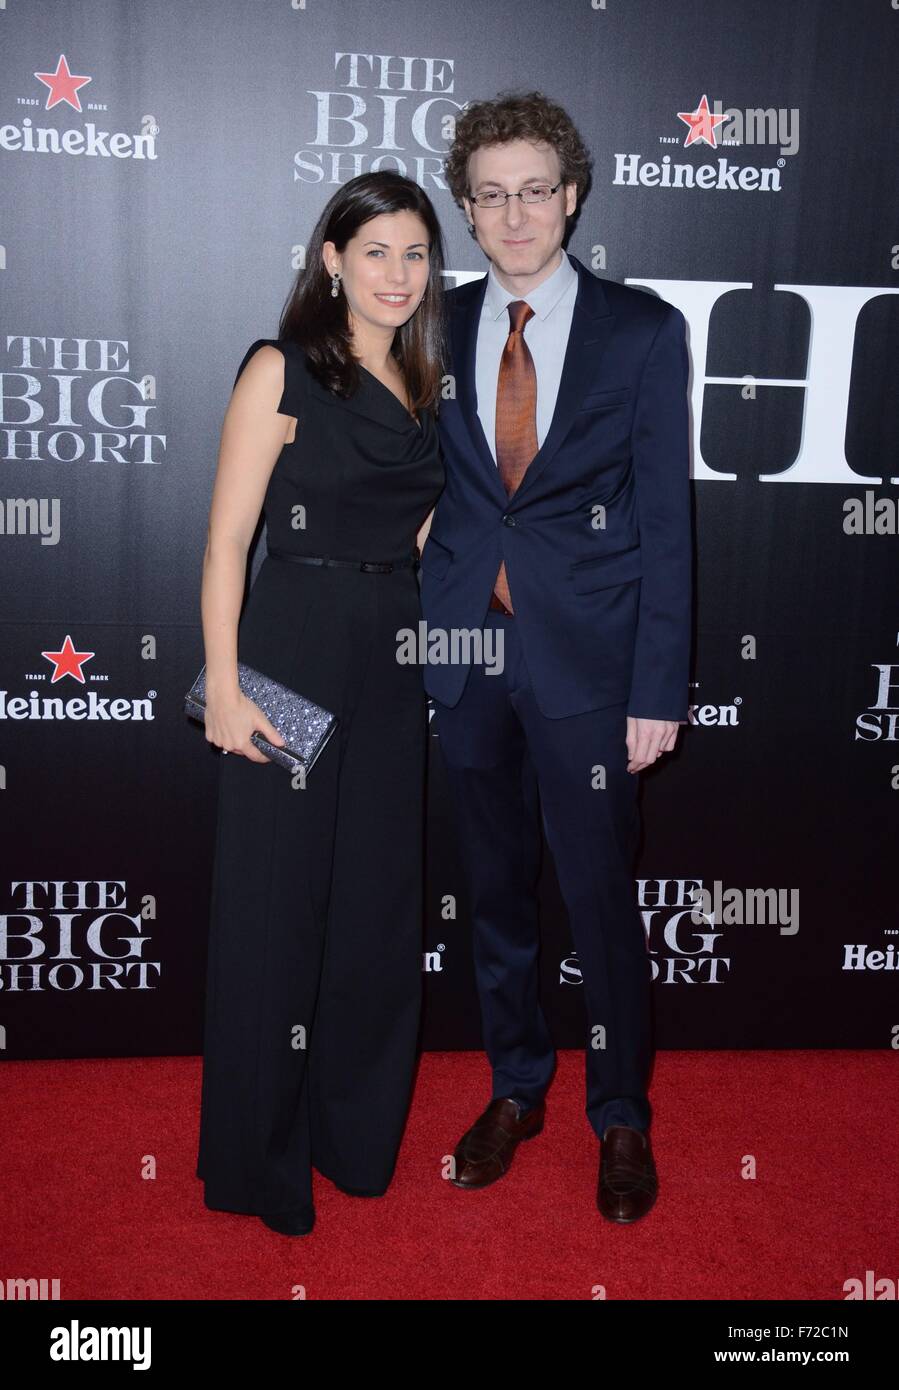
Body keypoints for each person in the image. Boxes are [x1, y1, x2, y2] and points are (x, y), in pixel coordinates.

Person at [418, 91, 692, 1223]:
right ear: (469, 212)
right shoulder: (428, 324)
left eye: (536, 189)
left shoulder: (639, 329)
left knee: (597, 899)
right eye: (492, 193)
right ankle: (515, 1087)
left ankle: (618, 1113)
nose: (516, 212)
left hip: (590, 668)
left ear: (571, 196)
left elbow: (668, 521)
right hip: (462, 656)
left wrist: (655, 689)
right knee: (492, 896)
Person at [195, 171, 446, 1236]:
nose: (397, 273)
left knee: (377, 916)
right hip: (289, 649)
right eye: (375, 250)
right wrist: (223, 685)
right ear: (331, 258)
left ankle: (353, 1139)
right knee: (275, 909)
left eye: (416, 254)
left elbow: (426, 539)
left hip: (391, 658)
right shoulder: (280, 367)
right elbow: (225, 541)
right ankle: (260, 1161)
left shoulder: (430, 388)